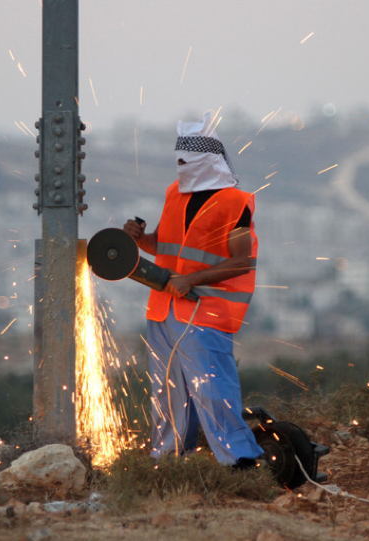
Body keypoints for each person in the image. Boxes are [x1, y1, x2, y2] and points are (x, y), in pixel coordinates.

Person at [123, 111, 264, 467]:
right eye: (179, 156)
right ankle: (167, 458)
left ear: (209, 157)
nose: (181, 163)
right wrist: (139, 240)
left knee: (214, 390)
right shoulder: (175, 193)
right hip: (163, 309)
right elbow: (166, 246)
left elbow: (242, 262)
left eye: (189, 156)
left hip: (207, 312)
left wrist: (191, 281)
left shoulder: (235, 202)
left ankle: (239, 461)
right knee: (167, 392)